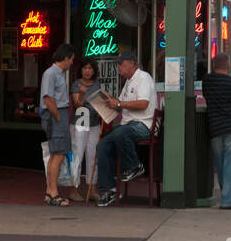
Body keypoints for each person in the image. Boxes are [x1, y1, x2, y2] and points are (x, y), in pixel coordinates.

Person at [95, 51, 156, 208]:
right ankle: (110, 189)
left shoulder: (143, 77)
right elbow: (121, 104)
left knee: (120, 133)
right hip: (128, 125)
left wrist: (119, 104)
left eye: (121, 64)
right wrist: (111, 101)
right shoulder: (128, 82)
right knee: (102, 145)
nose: (119, 68)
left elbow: (143, 104)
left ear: (131, 64)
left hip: (144, 125)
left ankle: (135, 166)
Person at [204, 52, 231, 209]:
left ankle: (228, 195)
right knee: (230, 165)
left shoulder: (207, 81)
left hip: (215, 128)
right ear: (228, 66)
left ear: (214, 65)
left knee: (221, 165)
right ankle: (228, 200)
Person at [39, 44, 76, 206]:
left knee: (55, 154)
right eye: (72, 59)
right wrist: (59, 116)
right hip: (55, 116)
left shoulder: (59, 74)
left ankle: (49, 192)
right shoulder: (51, 73)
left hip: (58, 115)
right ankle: (54, 193)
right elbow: (48, 98)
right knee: (59, 154)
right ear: (66, 58)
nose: (72, 63)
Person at [68, 60, 103, 201]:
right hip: (80, 123)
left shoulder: (97, 84)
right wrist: (82, 94)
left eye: (90, 68)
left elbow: (99, 103)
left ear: (94, 71)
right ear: (81, 70)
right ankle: (73, 190)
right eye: (85, 68)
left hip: (94, 123)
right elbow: (77, 104)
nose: (87, 71)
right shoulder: (76, 84)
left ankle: (92, 189)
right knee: (77, 155)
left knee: (93, 156)